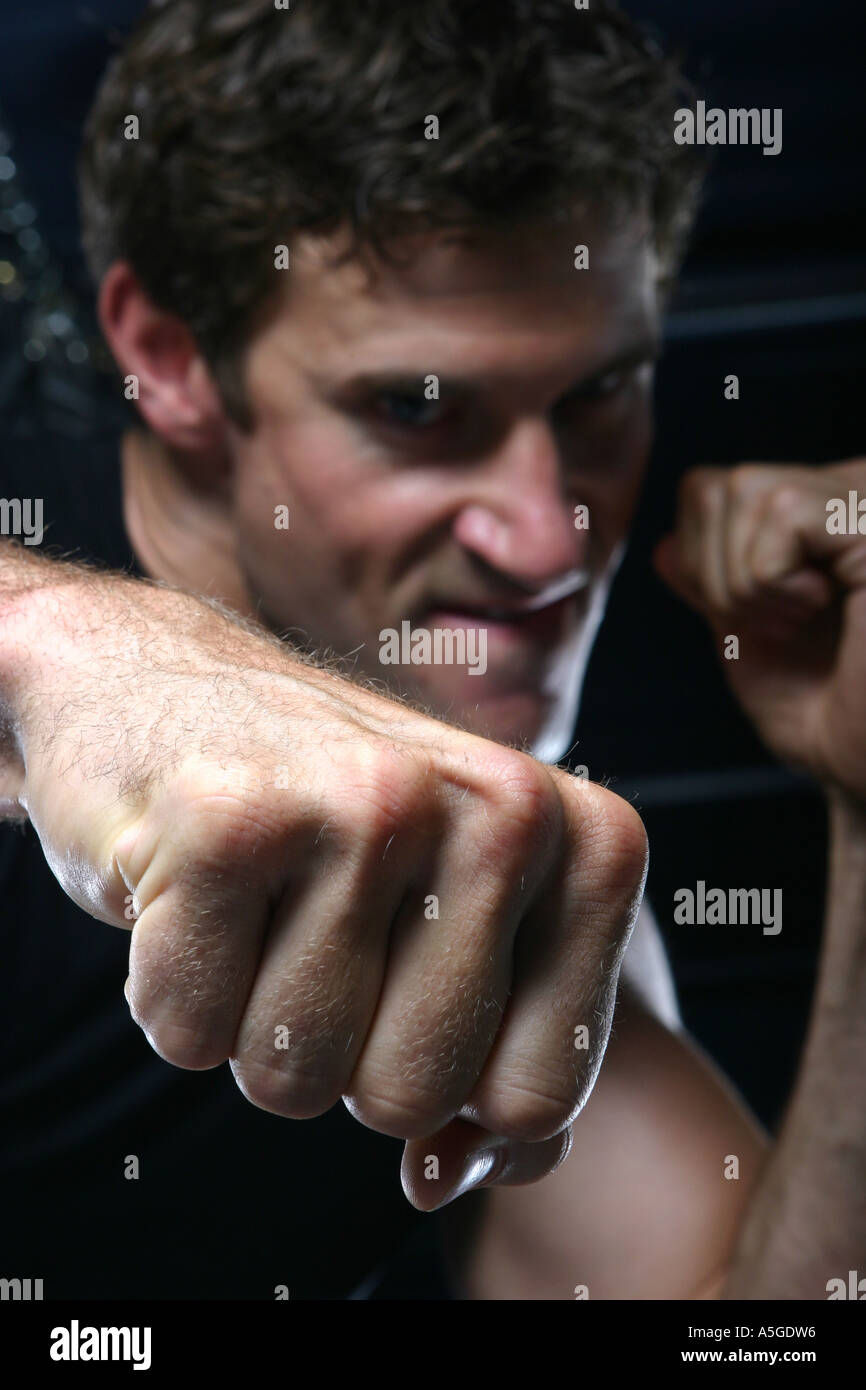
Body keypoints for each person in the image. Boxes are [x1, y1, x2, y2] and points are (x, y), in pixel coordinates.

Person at [1, 0, 863, 1300]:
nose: (545, 535)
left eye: (596, 396)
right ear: (167, 358)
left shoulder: (504, 842)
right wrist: (62, 639)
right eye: (415, 409)